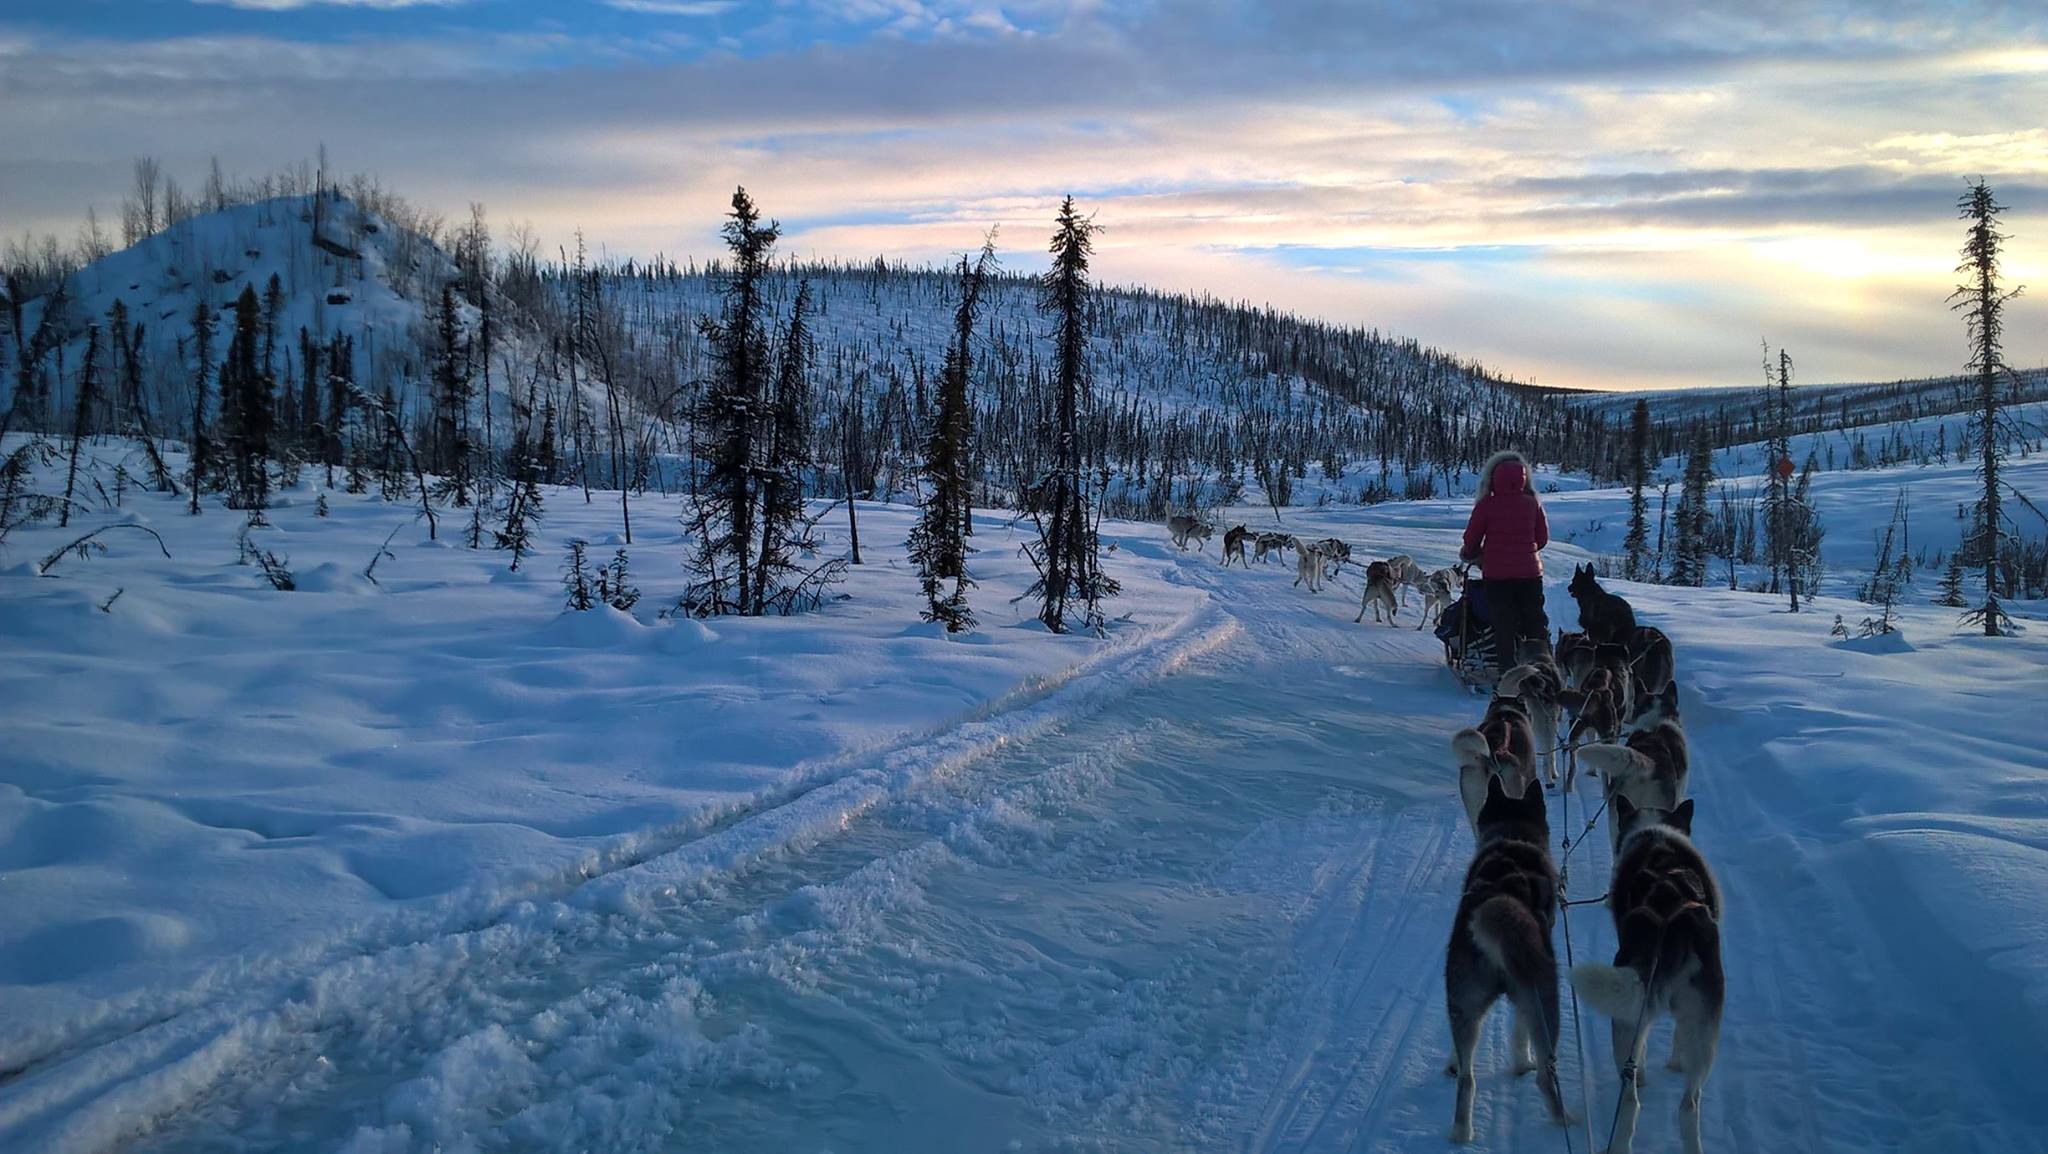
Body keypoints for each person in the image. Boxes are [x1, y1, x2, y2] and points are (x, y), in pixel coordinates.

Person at [1459, 450, 1549, 672]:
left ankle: (1508, 672)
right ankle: (1543, 669)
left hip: (1497, 575)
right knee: (1535, 621)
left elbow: (1471, 540)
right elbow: (1542, 539)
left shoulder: (1486, 505)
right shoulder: (1532, 503)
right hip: (1530, 574)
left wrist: (1472, 554)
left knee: (1503, 623)